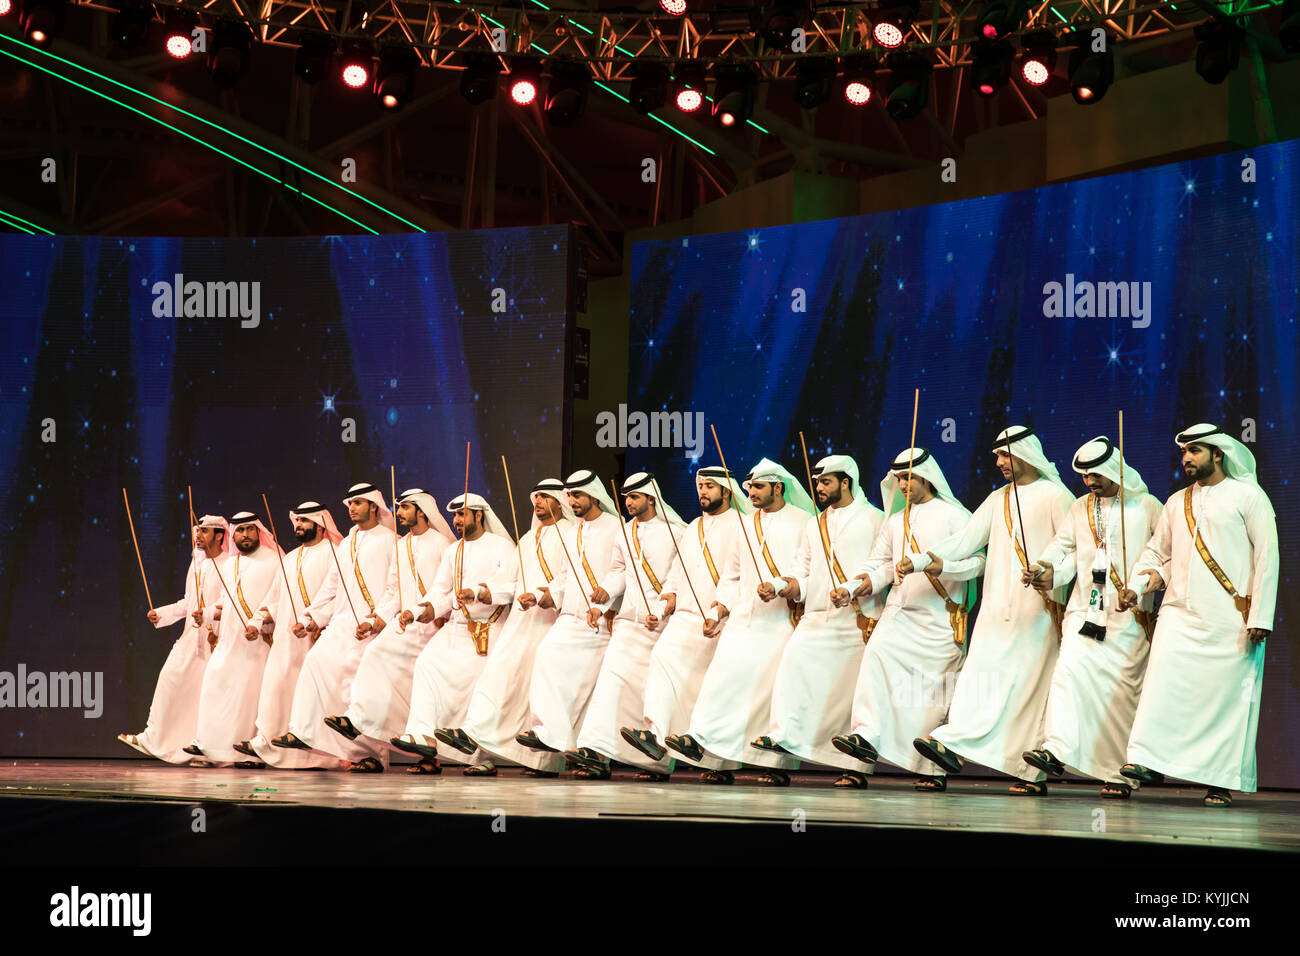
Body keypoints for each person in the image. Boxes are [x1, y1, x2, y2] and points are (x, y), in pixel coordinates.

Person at [1118, 424, 1278, 808]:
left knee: (1225, 704)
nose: (1186, 458)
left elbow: (1267, 557)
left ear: (1218, 453)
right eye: (1183, 452)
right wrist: (1136, 585)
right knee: (1160, 686)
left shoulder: (1249, 497)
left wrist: (1260, 616)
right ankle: (1147, 760)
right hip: (1177, 613)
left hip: (1230, 619)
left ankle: (1219, 781)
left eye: (1195, 451)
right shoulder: (1176, 502)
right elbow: (1158, 553)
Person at [910, 426, 1074, 795]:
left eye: (1005, 455)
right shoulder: (997, 498)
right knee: (978, 679)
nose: (999, 462)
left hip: (1039, 609)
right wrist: (922, 560)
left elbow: (1071, 548)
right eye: (997, 455)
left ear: (1025, 454)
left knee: (1028, 690)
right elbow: (965, 540)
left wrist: (1051, 574)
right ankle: (953, 741)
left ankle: (1030, 773)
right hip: (995, 608)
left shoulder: (1057, 496)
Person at [1018, 437, 1162, 799]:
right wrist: (1044, 566)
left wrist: (1143, 586)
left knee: (1118, 699)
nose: (1089, 482)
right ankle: (1055, 749)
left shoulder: (1146, 506)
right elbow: (1063, 547)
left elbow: (1167, 555)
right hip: (1084, 611)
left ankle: (1118, 774)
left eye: (1096, 475)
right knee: (1066, 676)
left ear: (1114, 469)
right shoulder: (1080, 507)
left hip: (1128, 617)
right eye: (1084, 476)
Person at [832, 448, 984, 791]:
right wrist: (852, 587)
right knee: (875, 658)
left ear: (927, 477)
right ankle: (865, 736)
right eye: (899, 478)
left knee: (931, 695)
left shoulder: (955, 516)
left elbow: (978, 563)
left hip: (939, 619)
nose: (902, 484)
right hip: (899, 612)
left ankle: (931, 768)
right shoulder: (895, 521)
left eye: (909, 477)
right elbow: (880, 565)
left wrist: (941, 566)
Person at [668, 458, 813, 786]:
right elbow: (731, 576)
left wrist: (783, 587)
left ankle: (775, 765)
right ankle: (701, 740)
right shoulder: (744, 525)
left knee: (767, 694)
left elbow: (806, 572)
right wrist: (718, 610)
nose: (752, 494)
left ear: (778, 487)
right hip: (743, 617)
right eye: (749, 488)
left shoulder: (803, 522)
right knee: (720, 680)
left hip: (782, 620)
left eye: (759, 487)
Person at [752, 454, 888, 788]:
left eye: (826, 482)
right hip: (815, 615)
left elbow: (882, 566)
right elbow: (802, 570)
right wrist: (781, 587)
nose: (819, 488)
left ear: (846, 482)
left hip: (857, 620)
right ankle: (783, 739)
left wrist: (855, 590)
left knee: (847, 696)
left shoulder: (875, 519)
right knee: (792, 665)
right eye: (817, 482)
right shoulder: (815, 524)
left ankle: (854, 769)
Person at [620, 466, 747, 782]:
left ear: (726, 491)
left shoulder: (741, 526)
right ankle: (655, 735)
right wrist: (662, 607)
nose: (702, 491)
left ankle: (718, 764)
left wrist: (719, 611)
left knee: (710, 691)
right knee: (662, 661)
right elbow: (677, 575)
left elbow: (737, 578)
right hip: (685, 617)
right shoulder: (693, 527)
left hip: (722, 619)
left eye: (709, 486)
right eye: (700, 486)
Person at [446, 480, 574, 777]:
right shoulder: (527, 539)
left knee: (539, 690)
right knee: (497, 677)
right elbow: (511, 581)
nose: (538, 501)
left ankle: (545, 762)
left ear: (559, 501)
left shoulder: (571, 534)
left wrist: (542, 596)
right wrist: (482, 592)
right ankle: (474, 734)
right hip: (520, 620)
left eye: (545, 497)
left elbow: (570, 579)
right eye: (536, 496)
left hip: (552, 621)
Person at [563, 472, 685, 781]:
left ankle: (655, 764)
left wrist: (661, 610)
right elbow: (618, 570)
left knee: (649, 693)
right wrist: (602, 599)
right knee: (610, 685)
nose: (628, 502)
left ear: (651, 498)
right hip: (629, 621)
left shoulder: (677, 532)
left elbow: (680, 579)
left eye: (634, 497)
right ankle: (595, 751)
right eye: (626, 497)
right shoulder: (624, 532)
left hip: (662, 624)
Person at [325, 489, 454, 770]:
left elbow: (447, 588)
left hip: (435, 625)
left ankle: (429, 755)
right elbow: (393, 591)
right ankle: (358, 719)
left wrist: (436, 612)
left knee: (425, 689)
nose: (400, 513)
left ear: (421, 510)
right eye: (400, 507)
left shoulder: (441, 543)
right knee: (374, 653)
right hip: (405, 624)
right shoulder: (401, 545)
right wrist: (376, 620)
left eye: (406, 507)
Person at [272, 482, 397, 771]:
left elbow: (395, 588)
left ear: (373, 506)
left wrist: (378, 618)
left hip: (373, 625)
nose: (352, 508)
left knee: (356, 688)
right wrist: (310, 619)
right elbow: (331, 589)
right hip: (342, 623)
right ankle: (303, 731)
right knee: (315, 662)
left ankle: (371, 754)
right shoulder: (347, 543)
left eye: (358, 503)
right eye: (350, 503)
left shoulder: (390, 541)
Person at [395, 493, 516, 774]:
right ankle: (423, 736)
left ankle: (482, 759)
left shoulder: (502, 546)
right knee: (427, 665)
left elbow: (512, 586)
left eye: (462, 514)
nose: (457, 521)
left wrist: (480, 592)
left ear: (478, 515)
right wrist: (419, 611)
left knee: (476, 688)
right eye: (455, 516)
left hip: (490, 629)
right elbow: (440, 592)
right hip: (456, 627)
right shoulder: (453, 551)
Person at [516, 470, 623, 757]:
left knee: (588, 688)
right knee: (546, 656)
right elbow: (564, 576)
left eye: (577, 495)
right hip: (569, 617)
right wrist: (541, 595)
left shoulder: (616, 528)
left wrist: (606, 596)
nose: (572, 501)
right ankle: (549, 733)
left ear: (594, 496)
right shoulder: (574, 530)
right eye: (570, 496)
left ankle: (589, 752)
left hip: (600, 620)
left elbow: (623, 571)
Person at [238, 501, 344, 770]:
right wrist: (257, 622)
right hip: (286, 640)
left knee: (315, 695)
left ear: (319, 525)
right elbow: (276, 599)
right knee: (275, 689)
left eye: (304, 521)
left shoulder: (335, 554)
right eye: (297, 521)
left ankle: (320, 755)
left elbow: (338, 597)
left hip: (318, 637)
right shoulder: (289, 558)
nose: (298, 525)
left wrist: (315, 621)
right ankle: (266, 742)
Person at [118, 515, 229, 764]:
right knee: (169, 679)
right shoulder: (197, 563)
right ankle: (153, 738)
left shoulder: (230, 565)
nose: (197, 536)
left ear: (219, 535)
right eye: (196, 531)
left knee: (207, 697)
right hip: (191, 637)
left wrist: (208, 613)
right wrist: (162, 614)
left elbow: (228, 604)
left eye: (204, 531)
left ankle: (207, 751)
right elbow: (188, 602)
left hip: (217, 640)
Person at [186, 511, 283, 765]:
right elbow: (224, 602)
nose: (245, 535)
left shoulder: (274, 561)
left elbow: (279, 600)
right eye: (240, 530)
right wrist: (207, 613)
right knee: (214, 685)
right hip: (229, 641)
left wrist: (260, 623)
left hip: (257, 642)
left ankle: (250, 754)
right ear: (234, 535)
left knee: (248, 698)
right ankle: (210, 746)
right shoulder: (231, 564)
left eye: (250, 529)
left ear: (258, 532)